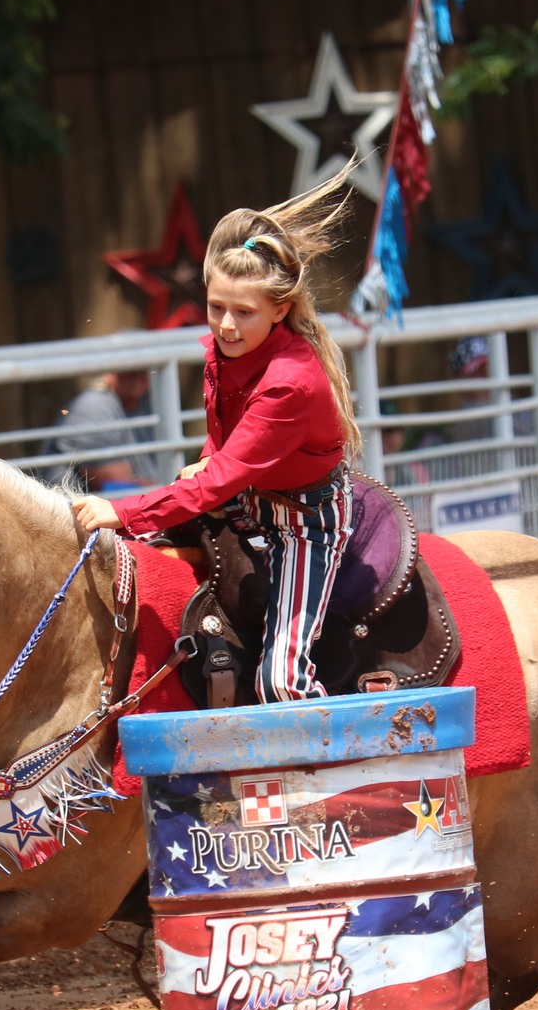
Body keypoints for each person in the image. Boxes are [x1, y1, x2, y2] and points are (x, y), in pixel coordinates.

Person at [71, 170, 360, 703]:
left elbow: (225, 477)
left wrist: (125, 510)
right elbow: (225, 445)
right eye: (216, 307)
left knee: (281, 682)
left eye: (244, 312)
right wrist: (206, 459)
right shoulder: (223, 353)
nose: (226, 325)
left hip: (305, 523)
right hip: (249, 500)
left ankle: (331, 780)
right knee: (130, 564)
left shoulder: (290, 382)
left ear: (280, 311)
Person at [41, 370, 162, 491]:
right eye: (128, 368)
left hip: (122, 503)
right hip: (76, 506)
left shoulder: (146, 404)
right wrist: (170, 491)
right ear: (109, 372)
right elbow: (117, 485)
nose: (138, 375)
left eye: (143, 368)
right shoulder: (94, 406)